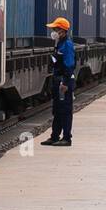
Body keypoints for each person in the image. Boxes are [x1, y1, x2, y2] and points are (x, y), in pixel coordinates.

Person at [41, 17, 75, 146]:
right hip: (57, 80)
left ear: (63, 31)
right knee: (57, 110)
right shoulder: (59, 43)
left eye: (55, 29)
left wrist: (65, 83)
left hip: (64, 82)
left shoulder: (67, 45)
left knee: (65, 110)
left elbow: (69, 65)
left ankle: (67, 138)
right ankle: (55, 136)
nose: (53, 31)